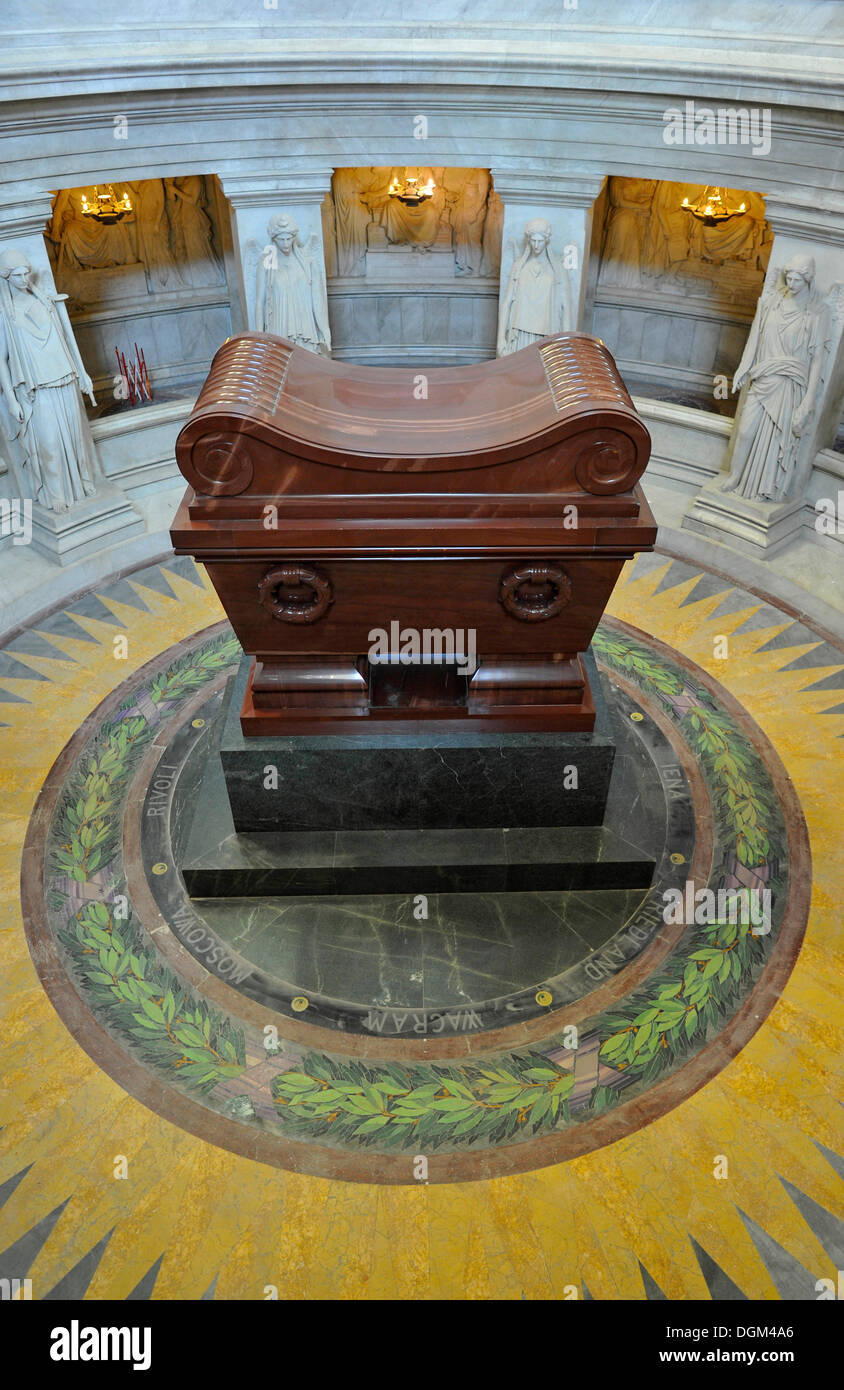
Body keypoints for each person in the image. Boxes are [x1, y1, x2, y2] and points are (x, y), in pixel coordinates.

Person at [721, 253, 832, 502]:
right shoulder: (771, 302)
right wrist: (742, 368)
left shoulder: (816, 313)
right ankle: (736, 475)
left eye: (797, 280)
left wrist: (809, 401)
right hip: (762, 378)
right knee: (747, 431)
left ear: (808, 281)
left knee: (775, 438)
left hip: (789, 384)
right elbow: (755, 339)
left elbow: (817, 362)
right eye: (788, 278)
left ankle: (763, 487)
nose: (791, 284)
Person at [0, 249, 98, 512]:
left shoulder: (46, 301)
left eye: (25, 273)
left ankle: (80, 483)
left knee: (76, 440)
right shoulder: (6, 315)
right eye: (16, 275)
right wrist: (11, 400)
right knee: (49, 444)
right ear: (6, 277)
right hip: (37, 390)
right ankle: (55, 493)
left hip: (64, 378)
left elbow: (67, 339)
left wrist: (83, 372)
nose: (23, 278)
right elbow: (1, 360)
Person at [256, 214, 331, 354]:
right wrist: (260, 337)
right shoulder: (267, 263)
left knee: (308, 364)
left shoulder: (308, 262)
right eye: (281, 239)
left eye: (289, 239)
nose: (285, 244)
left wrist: (324, 330)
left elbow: (318, 299)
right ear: (274, 239)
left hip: (305, 324)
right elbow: (260, 303)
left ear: (294, 237)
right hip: (279, 325)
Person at [497, 218, 572, 355]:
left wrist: (567, 344)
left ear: (547, 240)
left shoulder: (558, 270)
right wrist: (501, 338)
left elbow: (565, 307)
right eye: (533, 240)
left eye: (540, 241)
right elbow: (507, 302)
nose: (536, 245)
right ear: (528, 240)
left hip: (546, 337)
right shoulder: (519, 267)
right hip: (519, 335)